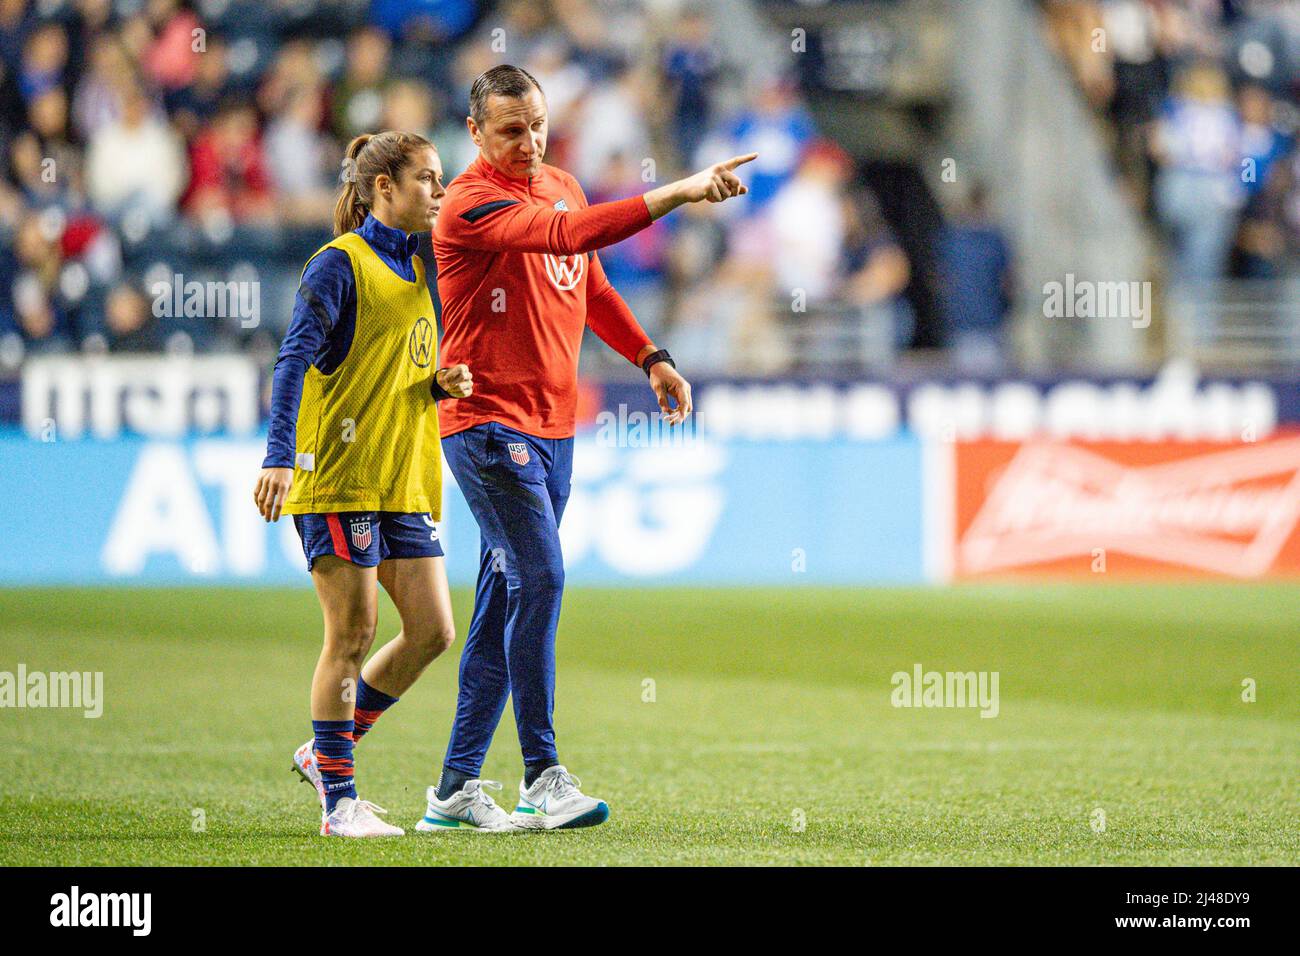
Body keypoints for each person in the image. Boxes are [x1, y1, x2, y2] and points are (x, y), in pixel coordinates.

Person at [426, 64, 754, 830]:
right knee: (541, 578)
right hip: (486, 425)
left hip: (552, 427)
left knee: (505, 598)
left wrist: (651, 356)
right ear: (475, 133)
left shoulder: (563, 182)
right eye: (511, 129)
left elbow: (589, 281)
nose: (530, 141)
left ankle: (452, 792)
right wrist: (677, 191)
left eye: (537, 124)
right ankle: (541, 776)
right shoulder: (469, 205)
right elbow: (565, 235)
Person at [252, 130, 479, 837]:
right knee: (352, 632)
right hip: (341, 478)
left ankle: (328, 753)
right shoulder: (338, 265)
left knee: (434, 630)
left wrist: (439, 382)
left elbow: (394, 364)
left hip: (403, 475)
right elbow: (294, 361)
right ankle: (339, 803)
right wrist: (279, 455)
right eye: (428, 179)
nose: (440, 192)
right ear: (384, 187)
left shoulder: (425, 265)